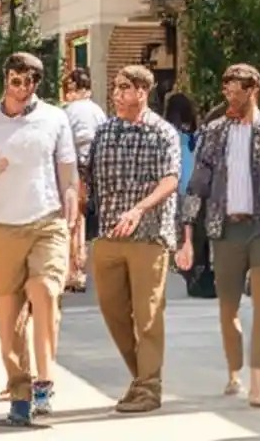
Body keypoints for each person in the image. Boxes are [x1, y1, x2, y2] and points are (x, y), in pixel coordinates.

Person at [176, 63, 260, 409]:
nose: (229, 96)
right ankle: (234, 370)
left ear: (253, 90)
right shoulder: (213, 134)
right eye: (226, 90)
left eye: (236, 90)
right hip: (225, 229)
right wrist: (187, 237)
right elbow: (196, 187)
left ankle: (258, 385)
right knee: (228, 307)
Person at [0, 53, 78, 425]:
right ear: (6, 79)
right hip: (0, 225)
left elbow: (68, 173)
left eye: (30, 82)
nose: (23, 89)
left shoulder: (55, 118)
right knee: (8, 316)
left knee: (45, 291)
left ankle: (45, 382)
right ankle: (19, 391)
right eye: (17, 80)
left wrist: (72, 215)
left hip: (47, 221)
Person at [85, 65, 182, 413]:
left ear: (142, 92)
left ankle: (149, 388)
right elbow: (88, 180)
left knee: (148, 315)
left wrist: (139, 209)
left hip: (148, 237)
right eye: (115, 87)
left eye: (124, 88)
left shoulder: (163, 133)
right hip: (108, 236)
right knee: (114, 314)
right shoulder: (104, 131)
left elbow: (170, 180)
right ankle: (142, 379)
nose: (116, 94)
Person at [61, 67, 106, 292]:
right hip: (95, 168)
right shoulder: (98, 111)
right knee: (82, 219)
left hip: (72, 168)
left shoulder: (66, 112)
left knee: (72, 219)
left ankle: (73, 269)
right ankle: (80, 267)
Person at [164, 93, 213, 298]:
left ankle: (185, 272)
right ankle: (197, 273)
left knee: (177, 238)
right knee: (195, 237)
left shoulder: (166, 134)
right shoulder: (197, 135)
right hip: (196, 192)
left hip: (174, 192)